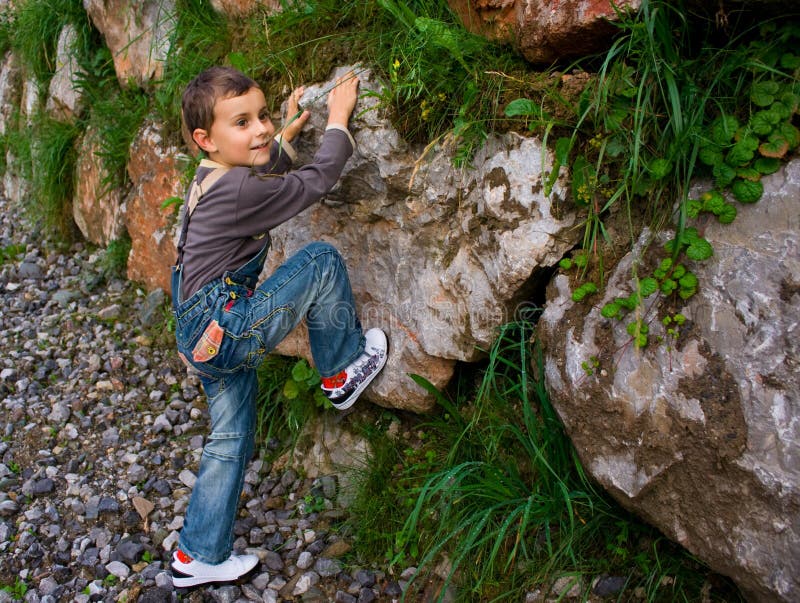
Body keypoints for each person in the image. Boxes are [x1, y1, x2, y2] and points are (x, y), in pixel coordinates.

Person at [169, 65, 388, 587]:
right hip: (228, 323)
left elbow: (260, 183)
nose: (262, 129)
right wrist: (338, 119)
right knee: (318, 262)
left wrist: (283, 136)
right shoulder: (240, 190)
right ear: (206, 138)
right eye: (242, 123)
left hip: (198, 330)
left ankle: (197, 554)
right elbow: (314, 182)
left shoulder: (208, 177)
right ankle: (340, 371)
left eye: (263, 116)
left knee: (229, 437)